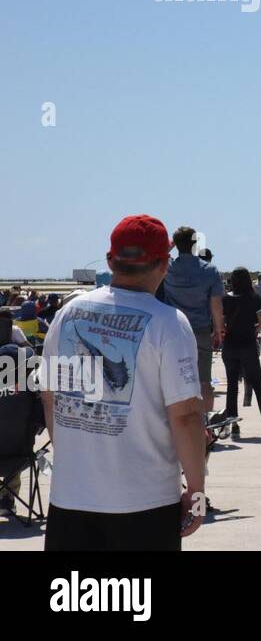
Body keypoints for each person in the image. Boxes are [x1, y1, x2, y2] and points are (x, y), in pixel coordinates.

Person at [40, 215, 206, 550]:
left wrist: (76, 460)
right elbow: (186, 416)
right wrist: (198, 493)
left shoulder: (67, 315)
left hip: (70, 499)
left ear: (109, 260)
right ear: (164, 264)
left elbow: (50, 396)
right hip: (145, 502)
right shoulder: (169, 324)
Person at [163, 226, 225, 416]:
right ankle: (205, 426)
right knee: (204, 380)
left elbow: (157, 257)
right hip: (200, 329)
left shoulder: (169, 267)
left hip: (173, 330)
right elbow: (216, 305)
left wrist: (170, 246)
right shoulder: (210, 270)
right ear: (195, 243)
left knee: (172, 379)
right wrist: (219, 330)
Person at [220, 267, 261, 438]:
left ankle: (233, 424)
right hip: (247, 344)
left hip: (230, 345)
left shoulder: (225, 299)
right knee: (257, 384)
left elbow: (221, 324)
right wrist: (252, 329)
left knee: (232, 386)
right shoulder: (254, 298)